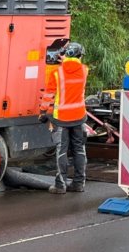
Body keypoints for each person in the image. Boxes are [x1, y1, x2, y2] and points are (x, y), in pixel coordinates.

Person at [40, 39, 89, 193]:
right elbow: (75, 66)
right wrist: (68, 59)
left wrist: (42, 112)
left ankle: (60, 185)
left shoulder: (57, 73)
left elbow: (48, 95)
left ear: (66, 54)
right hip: (79, 117)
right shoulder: (84, 70)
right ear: (79, 56)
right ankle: (79, 183)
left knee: (62, 151)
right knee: (79, 150)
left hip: (61, 119)